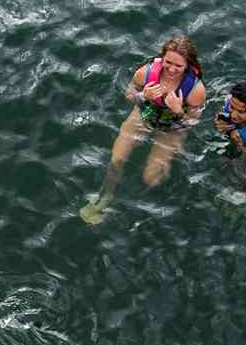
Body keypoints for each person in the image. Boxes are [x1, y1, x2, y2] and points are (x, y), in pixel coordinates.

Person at [79, 35, 210, 224]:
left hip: (172, 128)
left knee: (151, 178)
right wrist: (142, 96)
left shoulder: (196, 90)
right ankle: (104, 198)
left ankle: (132, 208)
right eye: (168, 62)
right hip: (144, 115)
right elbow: (129, 95)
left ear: (188, 66)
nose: (171, 69)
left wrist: (178, 110)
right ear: (162, 58)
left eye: (179, 66)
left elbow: (192, 121)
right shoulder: (145, 73)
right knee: (117, 159)